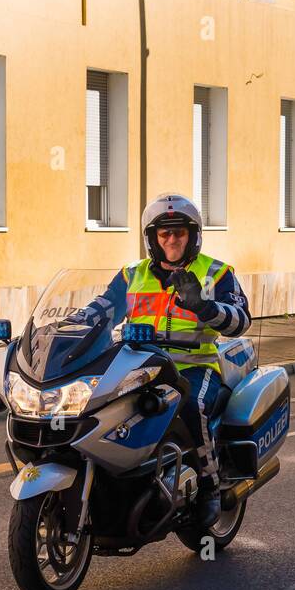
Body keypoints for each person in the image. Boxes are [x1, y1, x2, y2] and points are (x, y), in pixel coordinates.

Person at [99, 193, 251, 528]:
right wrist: (67, 327)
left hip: (194, 365)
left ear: (193, 235)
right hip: (140, 369)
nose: (171, 239)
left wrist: (205, 307)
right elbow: (99, 311)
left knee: (190, 404)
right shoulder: (130, 276)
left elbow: (241, 320)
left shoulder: (216, 272)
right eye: (164, 233)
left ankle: (210, 486)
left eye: (179, 232)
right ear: (152, 238)